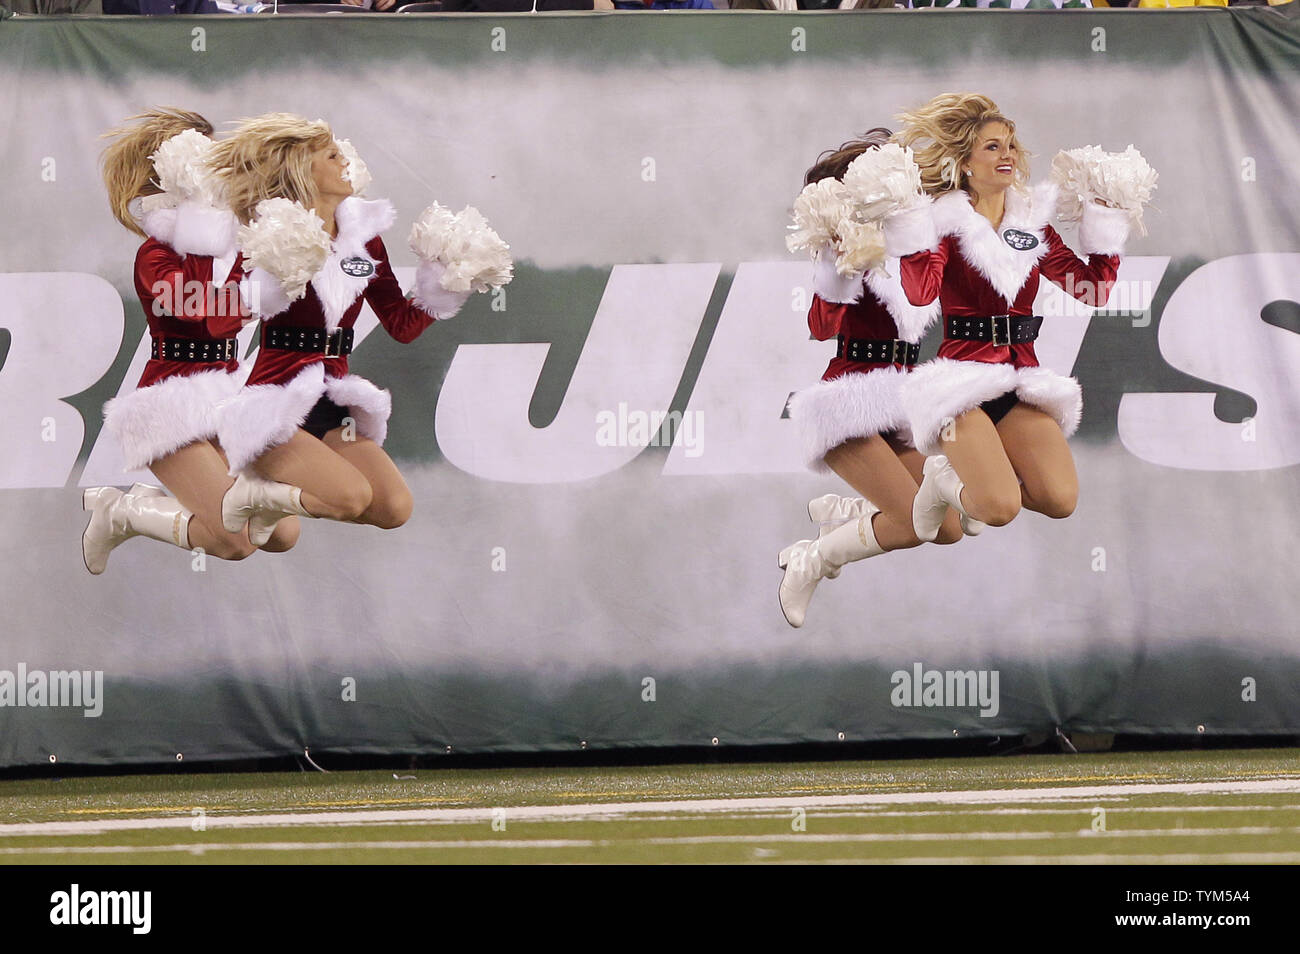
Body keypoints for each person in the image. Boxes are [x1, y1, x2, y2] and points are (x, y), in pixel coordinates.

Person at [208, 114, 472, 539]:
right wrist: (267, 287)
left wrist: (444, 283)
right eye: (332, 155)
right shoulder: (271, 235)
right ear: (302, 172)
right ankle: (247, 486)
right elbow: (219, 324)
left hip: (333, 403)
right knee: (348, 497)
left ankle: (259, 495)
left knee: (393, 507)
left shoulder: (364, 240)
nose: (346, 160)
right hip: (276, 401)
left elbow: (401, 325)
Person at [887, 92, 1134, 541]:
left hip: (1019, 378)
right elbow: (920, 295)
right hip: (961, 382)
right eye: (992, 146)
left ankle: (961, 486)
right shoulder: (943, 225)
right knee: (999, 508)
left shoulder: (1032, 225)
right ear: (965, 163)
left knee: (1059, 500)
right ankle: (944, 481)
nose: (1008, 155)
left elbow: (1092, 289)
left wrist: (1105, 218)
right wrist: (913, 238)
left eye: (1011, 145)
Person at [84, 108, 301, 575]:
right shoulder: (155, 254)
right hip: (166, 405)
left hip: (227, 392)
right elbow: (206, 317)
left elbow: (276, 301)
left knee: (282, 535)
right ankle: (120, 512)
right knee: (233, 542)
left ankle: (150, 501)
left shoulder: (238, 240)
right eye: (202, 161)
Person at [778, 129, 966, 629]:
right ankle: (813, 560)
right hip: (847, 406)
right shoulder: (844, 251)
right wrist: (834, 261)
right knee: (911, 522)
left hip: (898, 405)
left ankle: (850, 507)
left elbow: (929, 297)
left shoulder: (915, 244)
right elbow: (820, 328)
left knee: (944, 527)